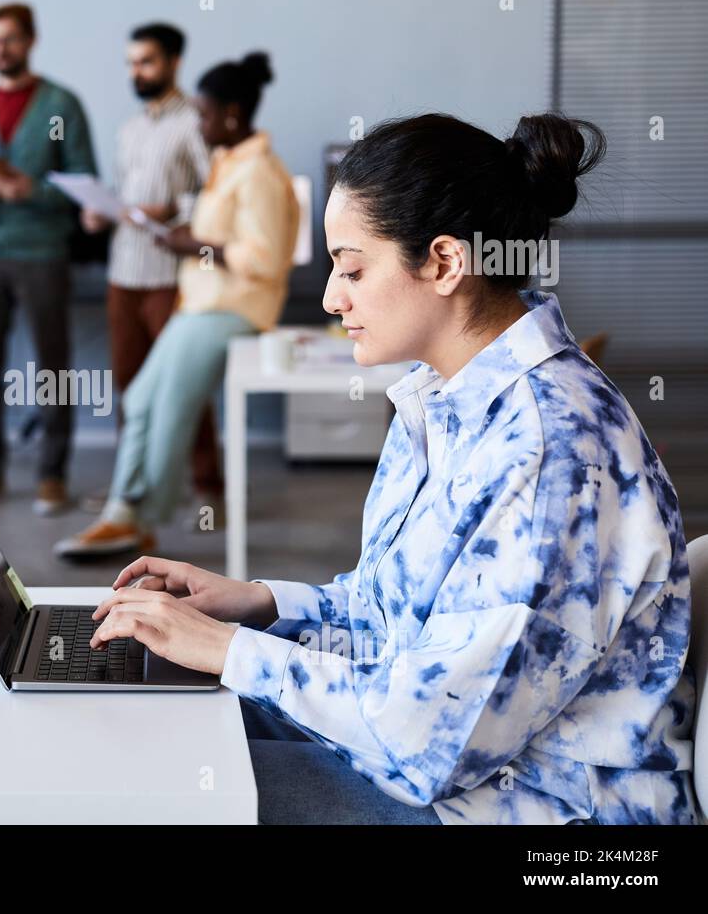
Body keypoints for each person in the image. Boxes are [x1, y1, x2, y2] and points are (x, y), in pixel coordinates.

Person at [84, 113, 697, 824]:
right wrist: (260, 606)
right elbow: (395, 620)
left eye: (352, 268)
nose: (330, 297)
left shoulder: (551, 449)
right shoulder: (446, 399)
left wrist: (229, 650)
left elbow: (431, 742)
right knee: (144, 727)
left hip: (530, 811)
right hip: (444, 767)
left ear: (444, 263)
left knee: (159, 796)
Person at [56, 52, 297, 557]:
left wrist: (193, 245)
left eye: (205, 115)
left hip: (234, 308)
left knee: (169, 407)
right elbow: (224, 235)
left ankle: (135, 516)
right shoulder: (229, 163)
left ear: (232, 114)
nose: (199, 124)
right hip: (202, 304)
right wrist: (189, 237)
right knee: (141, 398)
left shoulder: (259, 173)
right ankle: (125, 516)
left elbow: (267, 259)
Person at [0, 2, 98, 515]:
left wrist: (28, 190)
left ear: (30, 40)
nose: (1, 49)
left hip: (42, 251)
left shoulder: (62, 105)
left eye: (10, 39)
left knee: (52, 368)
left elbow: (84, 185)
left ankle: (51, 474)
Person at [80, 22, 218, 525]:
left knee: (185, 384)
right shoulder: (129, 128)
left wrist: (171, 209)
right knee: (131, 386)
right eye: (132, 62)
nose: (137, 71)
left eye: (147, 62)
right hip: (125, 271)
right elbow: (121, 197)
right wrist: (98, 213)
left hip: (172, 275)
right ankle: (130, 489)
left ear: (173, 62)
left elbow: (214, 192)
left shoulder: (194, 123)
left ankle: (208, 490)